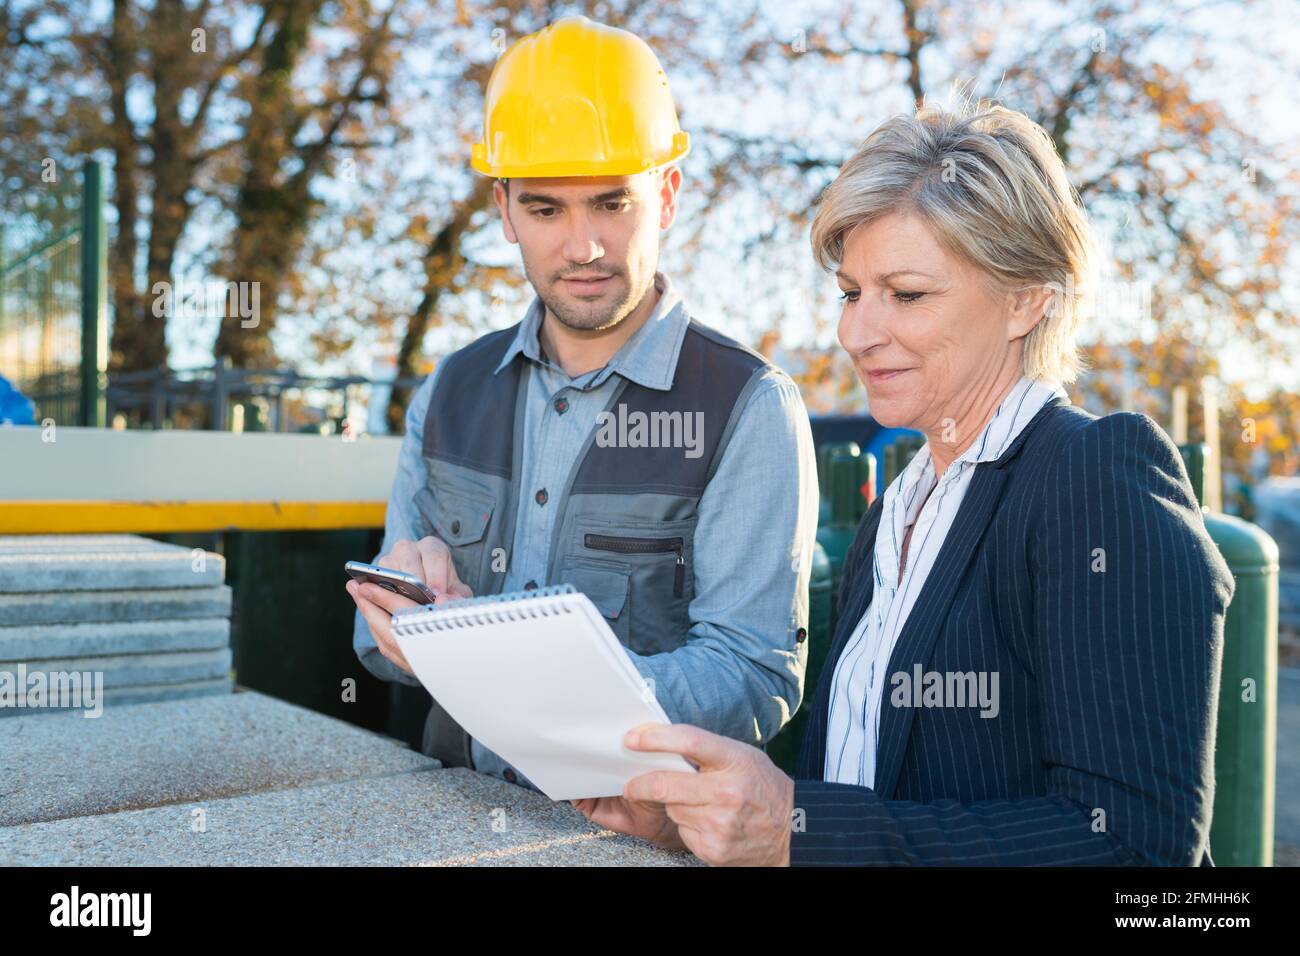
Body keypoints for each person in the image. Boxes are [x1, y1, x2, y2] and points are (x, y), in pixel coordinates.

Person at [576, 101, 1235, 866]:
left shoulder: (1097, 478)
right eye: (852, 293)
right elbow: (873, 794)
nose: (856, 333)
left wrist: (796, 827)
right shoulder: (897, 507)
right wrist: (697, 822)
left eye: (908, 294)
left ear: (1028, 298)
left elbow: (1136, 848)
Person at [348, 15, 819, 792]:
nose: (583, 247)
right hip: (449, 808)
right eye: (545, 210)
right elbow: (374, 651)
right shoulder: (448, 393)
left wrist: (538, 686)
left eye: (610, 203)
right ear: (504, 211)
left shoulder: (748, 407)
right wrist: (404, 611)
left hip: (630, 832)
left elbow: (753, 677)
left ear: (666, 196)